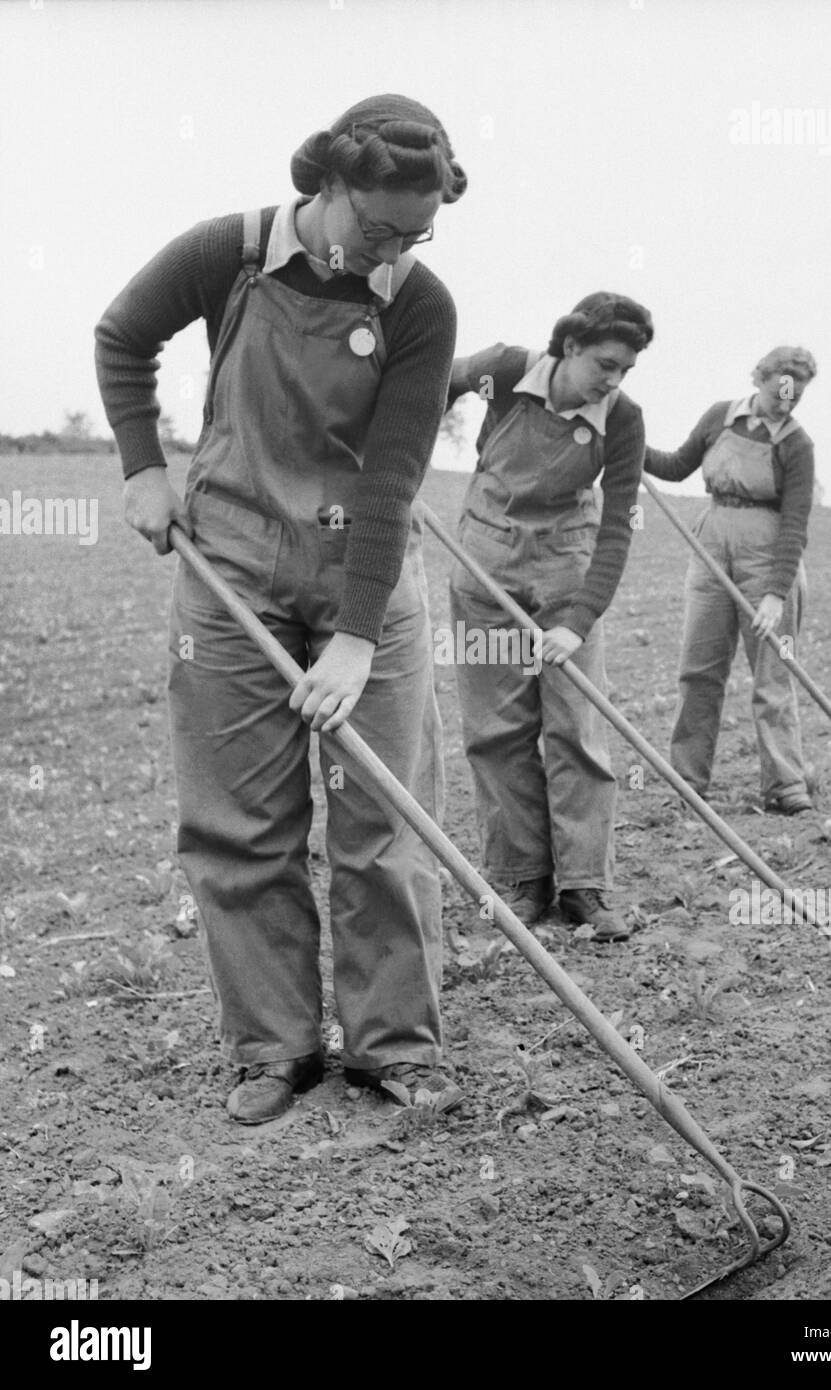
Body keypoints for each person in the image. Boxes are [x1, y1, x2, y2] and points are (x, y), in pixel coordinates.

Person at [95, 95, 467, 1124]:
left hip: (369, 574)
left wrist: (354, 639)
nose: (391, 249)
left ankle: (395, 1043)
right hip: (235, 564)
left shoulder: (421, 306)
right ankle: (273, 1045)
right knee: (239, 822)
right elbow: (123, 337)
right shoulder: (232, 251)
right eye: (378, 226)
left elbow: (392, 477)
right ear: (329, 186)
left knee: (382, 816)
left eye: (414, 234)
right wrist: (141, 469)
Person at [446, 294, 653, 942]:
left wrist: (578, 621)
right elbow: (427, 382)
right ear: (569, 348)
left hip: (566, 569)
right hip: (484, 567)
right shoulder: (503, 370)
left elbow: (617, 527)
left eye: (627, 368)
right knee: (496, 730)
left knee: (576, 729)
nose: (615, 378)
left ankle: (583, 885)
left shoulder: (623, 420)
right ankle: (519, 878)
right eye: (607, 363)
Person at [643, 346, 818, 814]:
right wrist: (630, 444)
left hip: (768, 553)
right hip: (711, 543)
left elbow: (796, 522)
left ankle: (784, 785)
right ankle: (688, 779)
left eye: (794, 399)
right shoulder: (720, 418)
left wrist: (776, 595)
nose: (784, 405)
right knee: (698, 669)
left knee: (772, 675)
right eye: (778, 393)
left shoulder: (797, 445)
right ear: (757, 379)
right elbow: (677, 465)